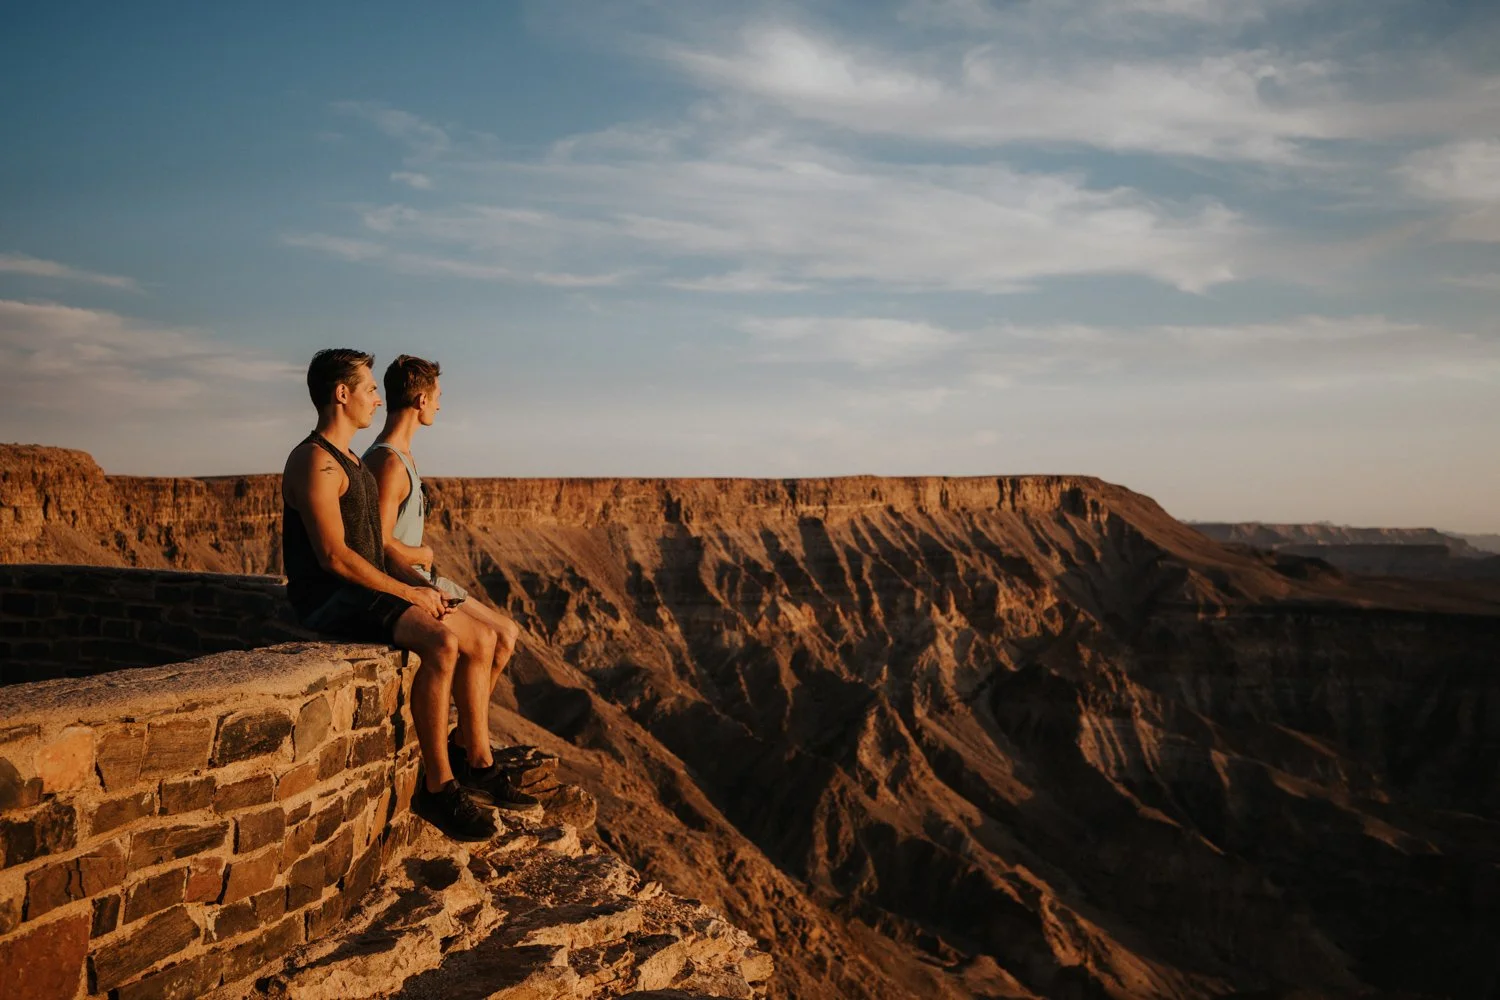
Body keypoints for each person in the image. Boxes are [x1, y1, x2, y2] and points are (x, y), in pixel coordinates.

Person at [280, 348, 501, 841]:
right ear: (343, 394)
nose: (377, 400)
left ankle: (472, 761)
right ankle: (439, 787)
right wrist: (406, 592)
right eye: (369, 390)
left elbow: (371, 546)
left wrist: (420, 587)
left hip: (362, 590)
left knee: (473, 636)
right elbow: (333, 558)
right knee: (440, 644)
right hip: (332, 599)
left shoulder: (351, 460)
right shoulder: (314, 462)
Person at [364, 354, 538, 810]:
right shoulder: (387, 463)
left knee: (507, 634)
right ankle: (477, 762)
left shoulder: (401, 456)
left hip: (424, 576)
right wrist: (423, 559)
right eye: (437, 398)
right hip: (406, 582)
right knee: (481, 641)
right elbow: (381, 547)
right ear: (421, 399)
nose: (440, 407)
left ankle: (465, 741)